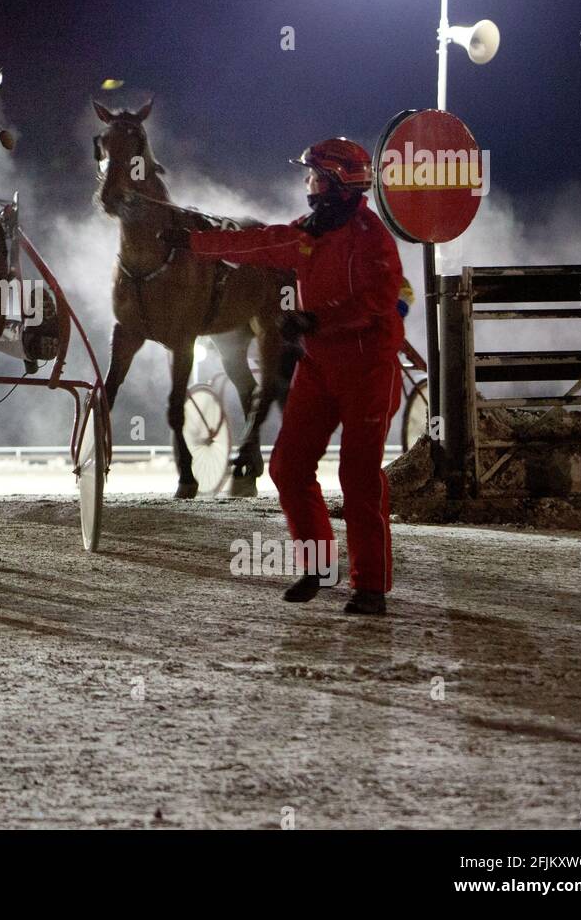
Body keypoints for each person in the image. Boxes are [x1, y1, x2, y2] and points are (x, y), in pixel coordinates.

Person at [159, 138, 404, 615]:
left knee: (358, 475)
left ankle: (370, 586)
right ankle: (318, 566)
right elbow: (256, 243)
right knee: (288, 467)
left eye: (314, 175)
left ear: (335, 182)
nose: (307, 183)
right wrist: (193, 243)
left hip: (368, 368)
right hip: (320, 365)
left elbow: (379, 300)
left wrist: (318, 320)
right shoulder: (308, 232)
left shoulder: (372, 237)